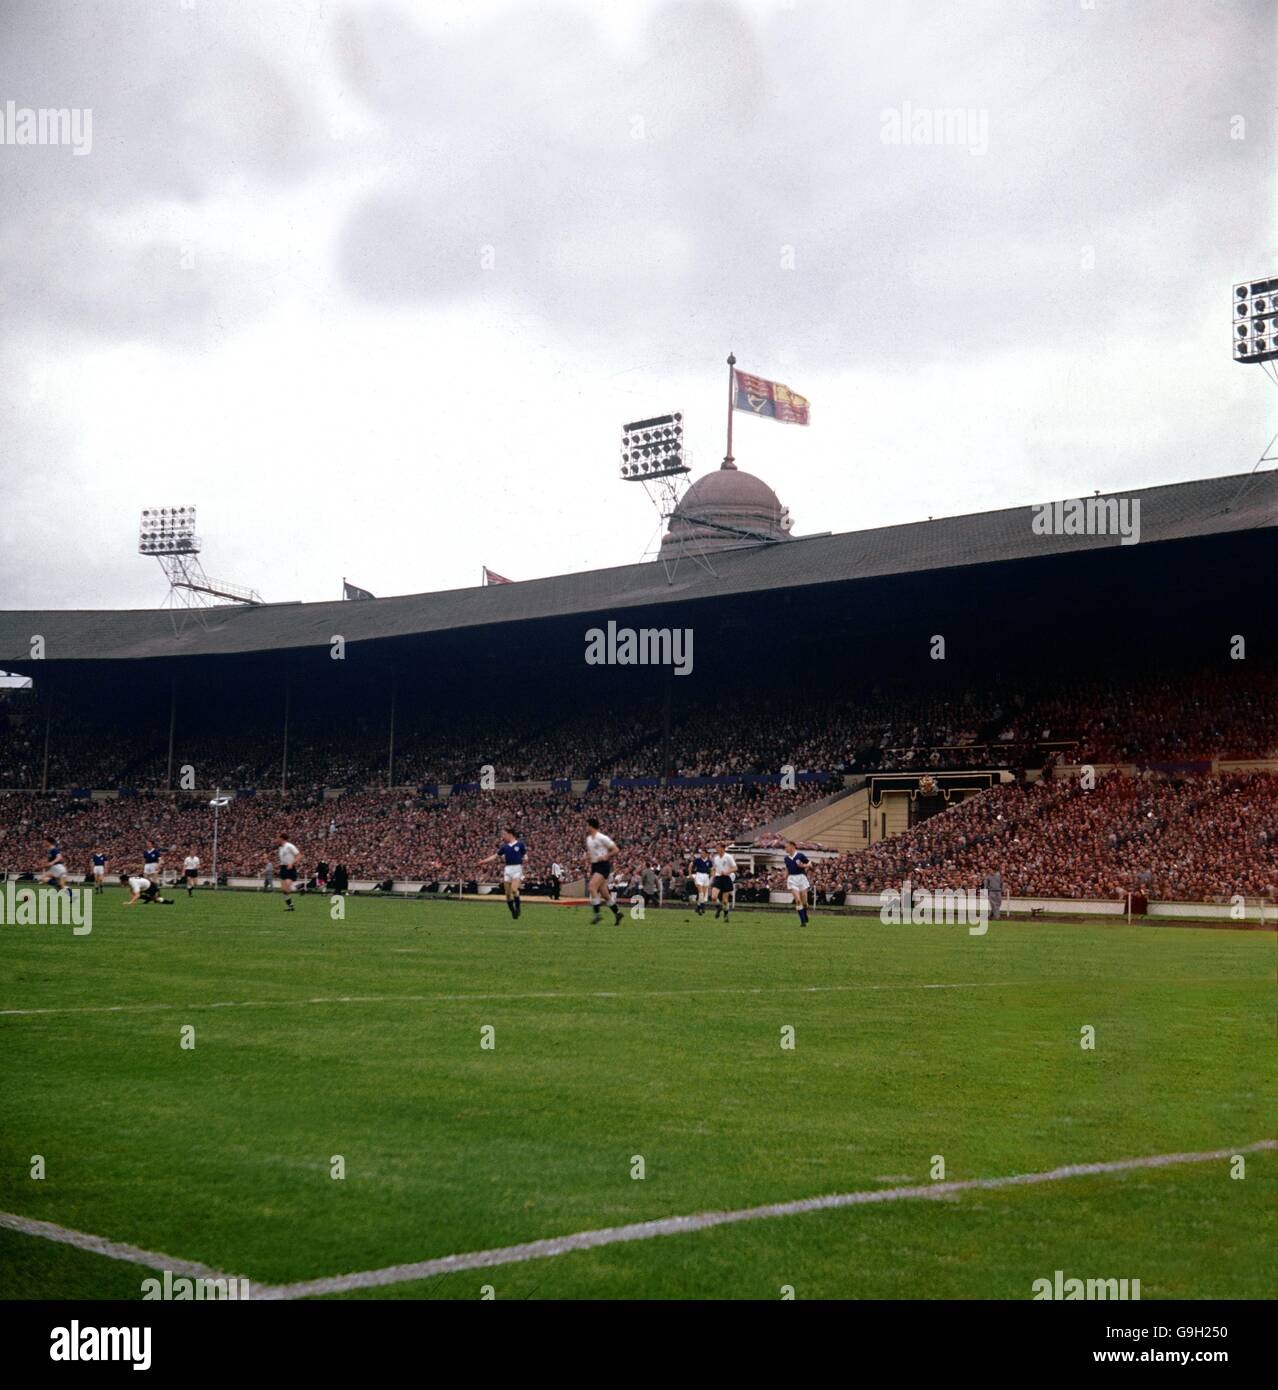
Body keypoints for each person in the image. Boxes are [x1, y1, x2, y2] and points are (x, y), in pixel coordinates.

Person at [480, 828, 527, 920]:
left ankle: (518, 908)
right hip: (508, 869)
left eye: (504, 834)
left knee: (514, 889)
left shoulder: (520, 844)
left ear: (510, 834)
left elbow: (525, 854)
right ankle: (513, 912)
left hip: (517, 868)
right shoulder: (505, 847)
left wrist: (526, 858)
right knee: (508, 894)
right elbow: (495, 856)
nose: (503, 836)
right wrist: (484, 861)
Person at [585, 816, 623, 925]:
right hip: (595, 866)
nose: (586, 827)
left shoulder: (602, 838)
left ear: (591, 826)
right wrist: (587, 857)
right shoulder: (589, 839)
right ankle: (618, 913)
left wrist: (606, 856)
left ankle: (597, 914)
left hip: (603, 865)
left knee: (592, 886)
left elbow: (616, 850)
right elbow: (592, 853)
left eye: (587, 825)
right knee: (605, 894)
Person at [784, 839, 811, 927]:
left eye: (786, 847)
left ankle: (805, 913)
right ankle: (803, 921)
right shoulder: (786, 858)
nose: (785, 849)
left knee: (804, 902)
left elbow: (810, 863)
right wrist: (784, 876)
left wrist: (803, 865)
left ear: (792, 846)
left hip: (801, 877)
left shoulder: (800, 855)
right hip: (792, 879)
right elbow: (788, 868)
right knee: (798, 900)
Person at [711, 842, 737, 921]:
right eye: (716, 847)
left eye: (718, 847)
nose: (716, 849)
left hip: (726, 878)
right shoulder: (716, 858)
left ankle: (726, 914)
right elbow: (714, 868)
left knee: (725, 901)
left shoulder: (728, 857)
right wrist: (713, 876)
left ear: (723, 848)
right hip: (718, 878)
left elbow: (735, 868)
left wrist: (727, 872)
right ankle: (719, 907)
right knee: (713, 897)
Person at [276, 833, 301, 912]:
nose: (277, 839)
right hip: (283, 868)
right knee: (284, 890)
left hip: (289, 868)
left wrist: (292, 863)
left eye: (278, 838)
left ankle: (300, 887)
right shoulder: (280, 848)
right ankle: (291, 907)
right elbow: (284, 858)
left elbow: (299, 855)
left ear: (282, 838)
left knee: (288, 887)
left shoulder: (289, 846)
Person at [689, 849, 713, 915]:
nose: (701, 854)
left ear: (706, 854)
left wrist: (711, 876)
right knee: (701, 892)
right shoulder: (697, 860)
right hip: (699, 875)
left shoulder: (709, 861)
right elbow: (690, 865)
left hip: (706, 876)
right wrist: (690, 874)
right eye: (701, 853)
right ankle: (702, 907)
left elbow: (711, 869)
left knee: (703, 894)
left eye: (703, 853)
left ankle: (698, 907)